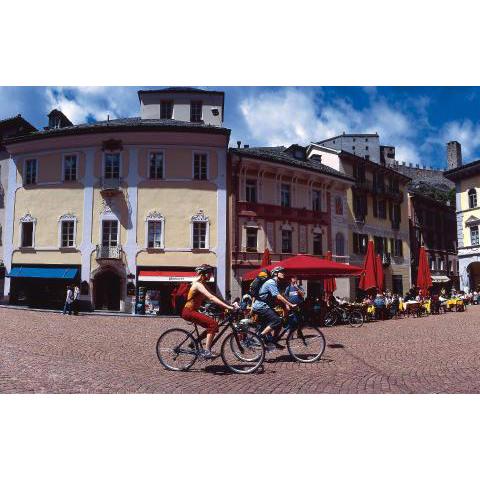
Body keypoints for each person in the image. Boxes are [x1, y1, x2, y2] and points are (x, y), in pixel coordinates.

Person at [181, 264, 234, 359]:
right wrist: (227, 307)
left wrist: (230, 305)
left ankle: (194, 343)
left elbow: (215, 296)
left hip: (193, 311)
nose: (210, 275)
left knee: (214, 325)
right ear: (203, 274)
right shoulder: (198, 285)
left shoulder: (203, 284)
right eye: (209, 273)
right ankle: (207, 351)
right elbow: (211, 298)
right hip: (188, 311)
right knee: (212, 324)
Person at [252, 266, 295, 350]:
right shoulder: (271, 282)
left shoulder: (275, 283)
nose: (283, 274)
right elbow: (278, 296)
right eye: (281, 272)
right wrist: (290, 304)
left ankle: (273, 341)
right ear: (276, 273)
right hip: (261, 306)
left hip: (265, 306)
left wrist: (285, 305)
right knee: (277, 321)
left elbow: (277, 298)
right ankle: (259, 338)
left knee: (280, 322)